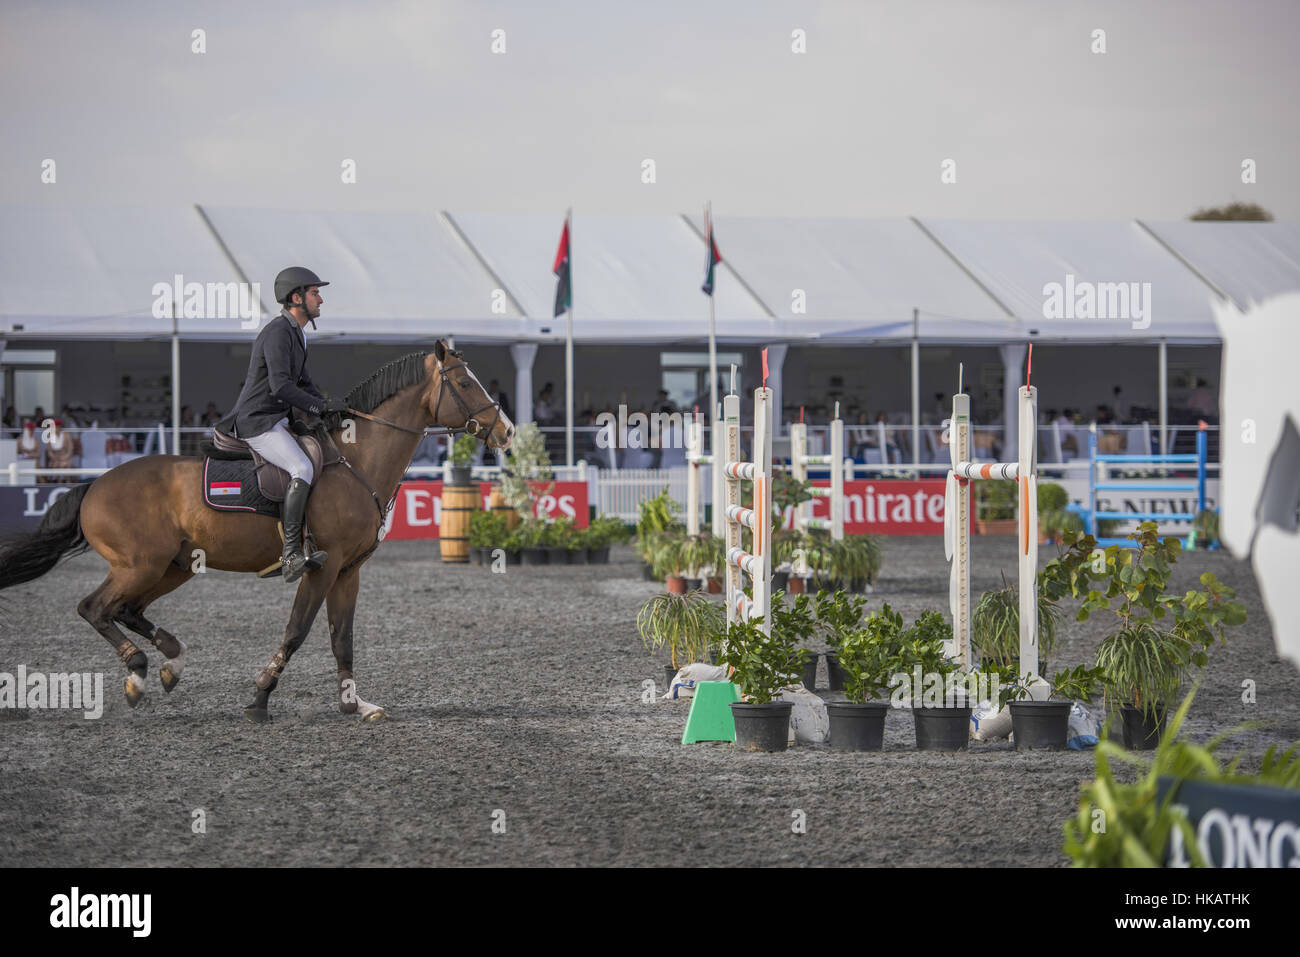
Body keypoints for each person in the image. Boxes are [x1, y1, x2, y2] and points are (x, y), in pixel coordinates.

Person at [215, 266, 347, 583]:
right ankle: (289, 554)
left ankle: (308, 538)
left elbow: (304, 382)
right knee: (302, 467)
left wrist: (331, 406)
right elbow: (281, 387)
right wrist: (318, 406)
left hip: (277, 419)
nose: (321, 300)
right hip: (257, 421)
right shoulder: (277, 332)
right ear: (296, 297)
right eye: (316, 293)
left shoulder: (297, 334)